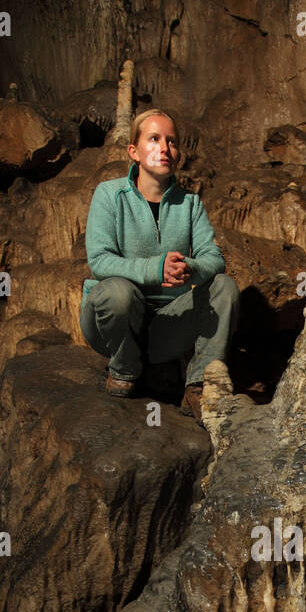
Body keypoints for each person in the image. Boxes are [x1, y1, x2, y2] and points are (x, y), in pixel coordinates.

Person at [79, 108, 240, 422]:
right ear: (134, 151)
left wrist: (189, 267)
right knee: (118, 291)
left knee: (225, 287)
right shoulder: (110, 195)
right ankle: (124, 368)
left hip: (165, 327)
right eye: (154, 139)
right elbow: (99, 261)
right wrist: (155, 269)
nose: (165, 148)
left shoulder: (190, 203)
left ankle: (198, 386)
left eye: (172, 141)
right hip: (112, 323)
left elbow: (215, 259)